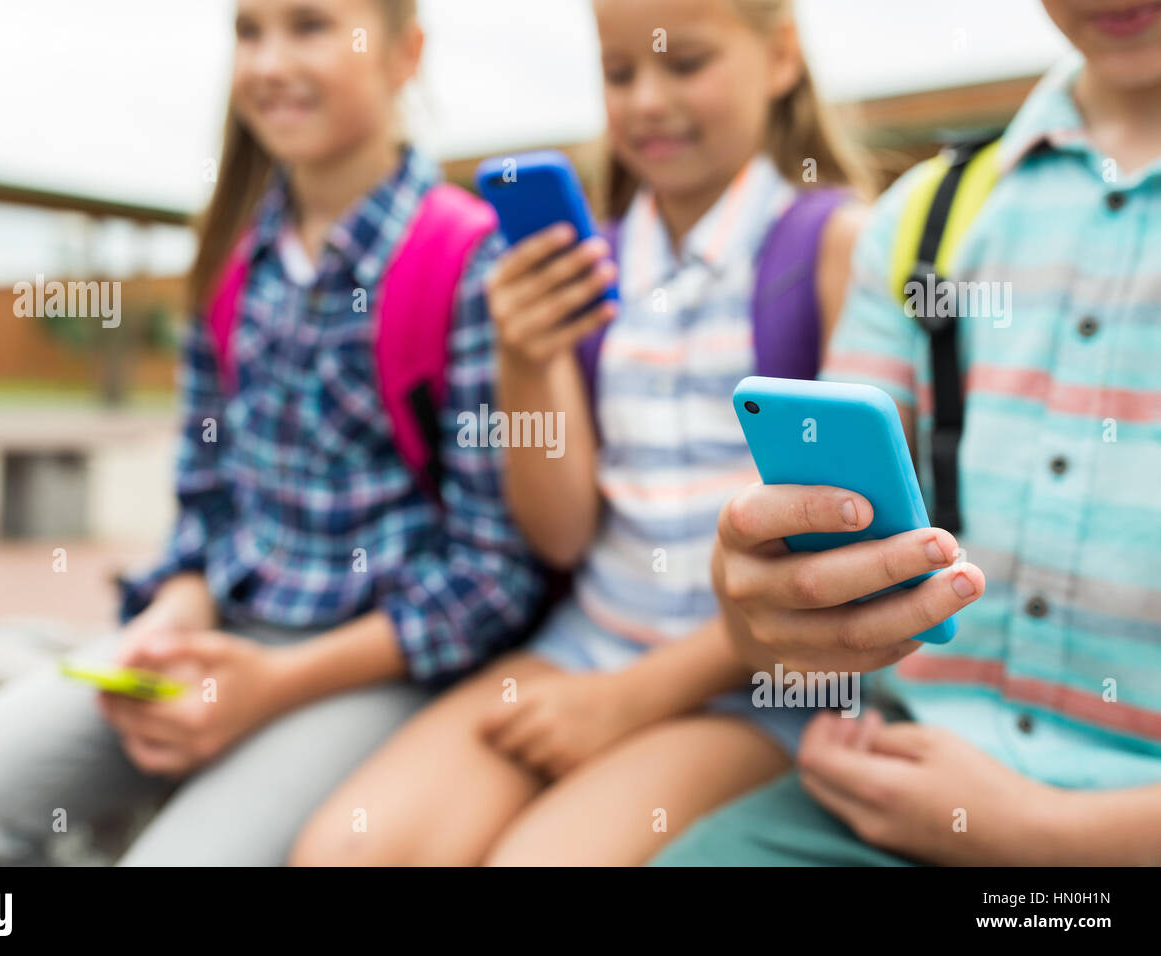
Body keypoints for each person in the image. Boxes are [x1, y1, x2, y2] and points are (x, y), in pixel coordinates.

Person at [0, 0, 542, 866]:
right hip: (224, 627)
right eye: (248, 30)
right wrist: (176, 612)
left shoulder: (467, 261)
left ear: (405, 53)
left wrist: (270, 687)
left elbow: (494, 576)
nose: (268, 62)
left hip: (385, 665)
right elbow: (206, 499)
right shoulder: (228, 255)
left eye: (309, 26)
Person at [293, 0, 871, 866]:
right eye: (619, 72)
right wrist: (527, 361)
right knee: (344, 852)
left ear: (780, 56)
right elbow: (560, 531)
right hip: (586, 647)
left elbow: (847, 556)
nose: (646, 101)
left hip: (757, 685)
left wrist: (628, 702)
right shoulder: (588, 269)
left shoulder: (833, 250)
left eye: (686, 65)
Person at [655, 0, 1161, 866]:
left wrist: (1050, 841)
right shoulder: (924, 220)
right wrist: (758, 593)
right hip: (883, 798)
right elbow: (793, 607)